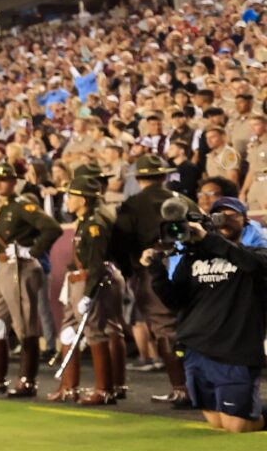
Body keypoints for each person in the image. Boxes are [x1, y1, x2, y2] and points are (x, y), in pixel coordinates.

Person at [144, 196, 267, 431]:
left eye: (232, 215)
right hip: (196, 349)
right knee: (218, 422)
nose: (225, 220)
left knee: (237, 426)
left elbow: (250, 264)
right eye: (220, 215)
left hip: (235, 350)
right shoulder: (193, 258)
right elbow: (176, 301)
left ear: (246, 220)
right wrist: (156, 271)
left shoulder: (258, 252)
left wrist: (208, 240)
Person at [115, 154, 190, 406]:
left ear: (138, 178)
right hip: (190, 267)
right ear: (164, 176)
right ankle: (199, 384)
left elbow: (122, 243)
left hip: (150, 269)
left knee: (165, 329)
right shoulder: (182, 200)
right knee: (189, 325)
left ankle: (182, 388)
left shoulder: (133, 204)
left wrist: (129, 273)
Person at [0, 162, 60, 397]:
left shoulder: (21, 205)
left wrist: (33, 251)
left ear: (14, 182)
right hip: (4, 266)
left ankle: (28, 379)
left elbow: (52, 227)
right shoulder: (4, 208)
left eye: (3, 180)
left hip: (20, 266)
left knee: (24, 323)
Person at [46, 169, 124, 405]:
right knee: (69, 330)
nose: (67, 201)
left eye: (71, 196)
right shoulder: (87, 221)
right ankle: (70, 386)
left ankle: (104, 388)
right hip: (78, 279)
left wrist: (89, 294)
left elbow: (97, 263)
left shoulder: (95, 223)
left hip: (90, 280)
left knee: (94, 331)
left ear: (83, 199)